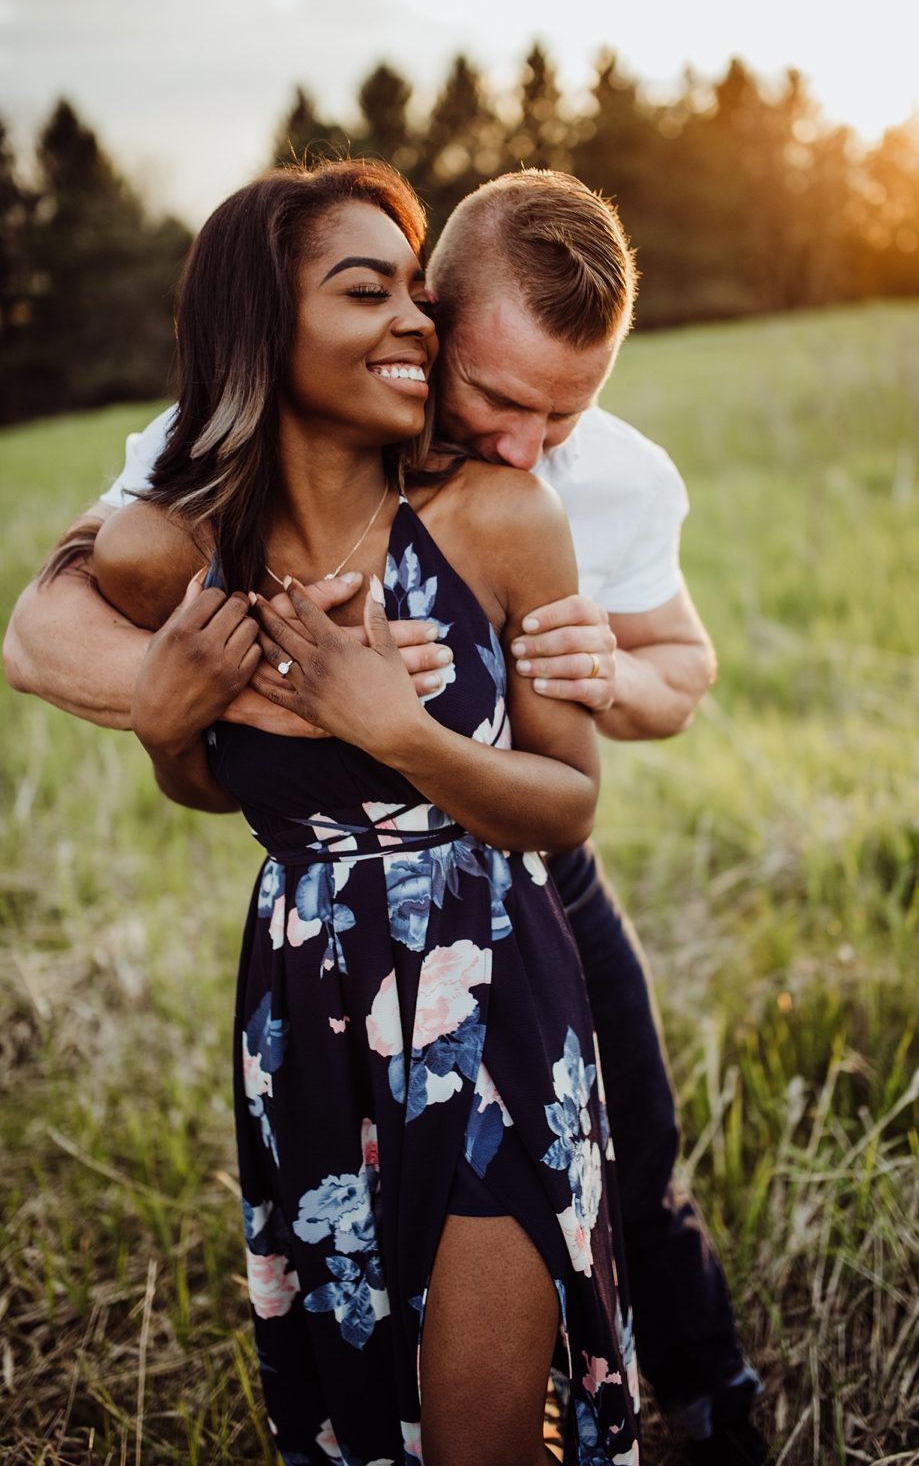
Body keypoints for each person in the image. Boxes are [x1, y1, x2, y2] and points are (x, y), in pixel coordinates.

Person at [4, 170, 766, 1464]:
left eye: (563, 414)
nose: (531, 438)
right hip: (317, 932)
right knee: (352, 1270)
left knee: (633, 1162)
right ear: (433, 315)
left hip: (514, 887)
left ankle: (714, 1412)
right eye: (500, 399)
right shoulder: (222, 447)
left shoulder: (591, 481)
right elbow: (45, 625)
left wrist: (589, 670)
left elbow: (676, 674)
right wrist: (250, 702)